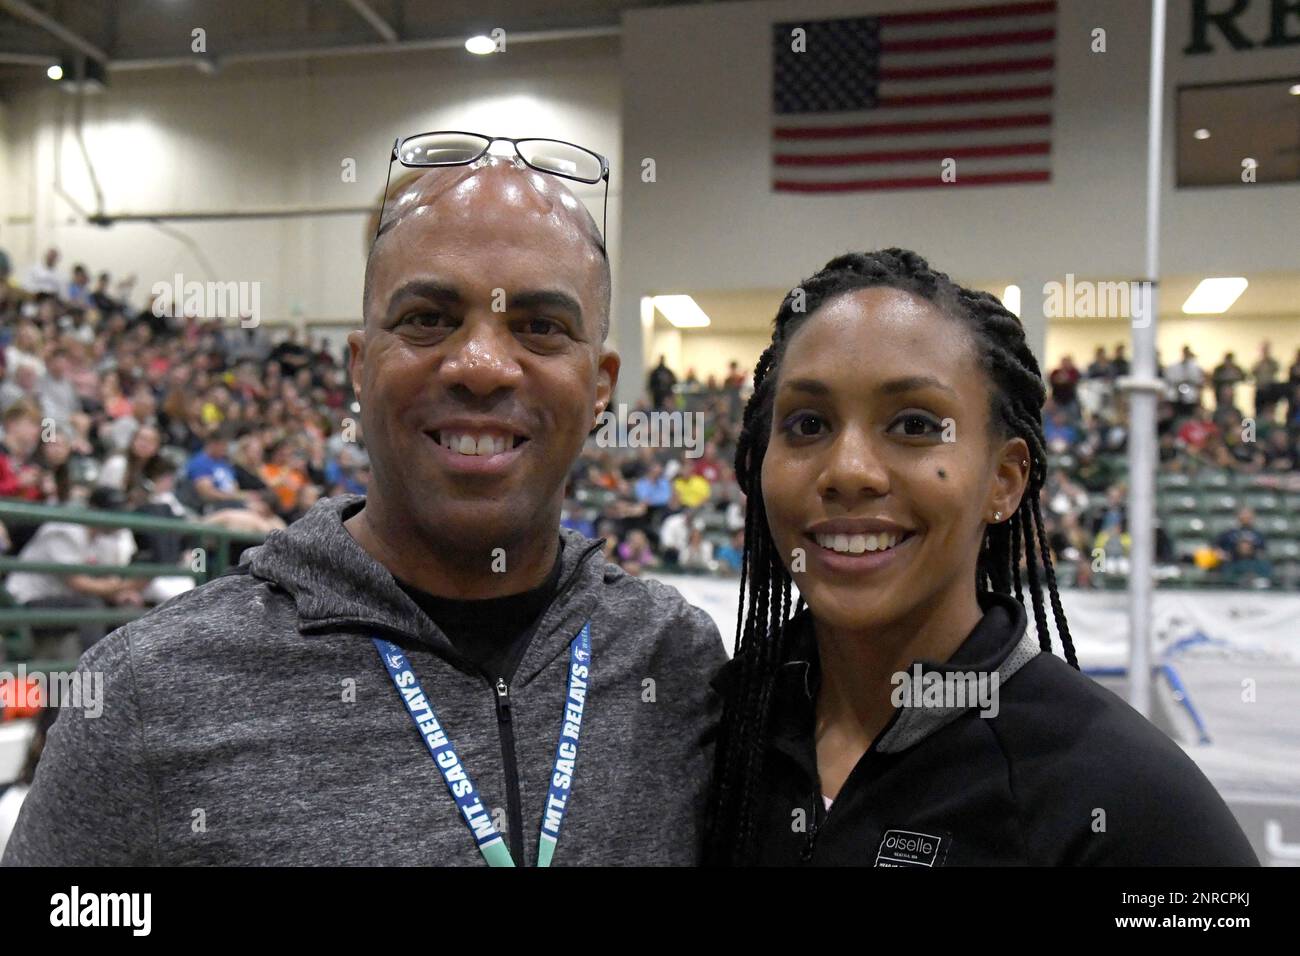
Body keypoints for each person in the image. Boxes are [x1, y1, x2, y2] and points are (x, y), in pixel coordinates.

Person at [4, 147, 724, 867]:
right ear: (358, 366)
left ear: (601, 387)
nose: (480, 366)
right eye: (428, 318)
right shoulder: (152, 691)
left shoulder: (679, 662)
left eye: (540, 327)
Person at [705, 249, 1257, 866]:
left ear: (1004, 480)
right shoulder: (701, 733)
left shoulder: (1137, 806)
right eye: (808, 425)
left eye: (914, 424)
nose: (848, 471)